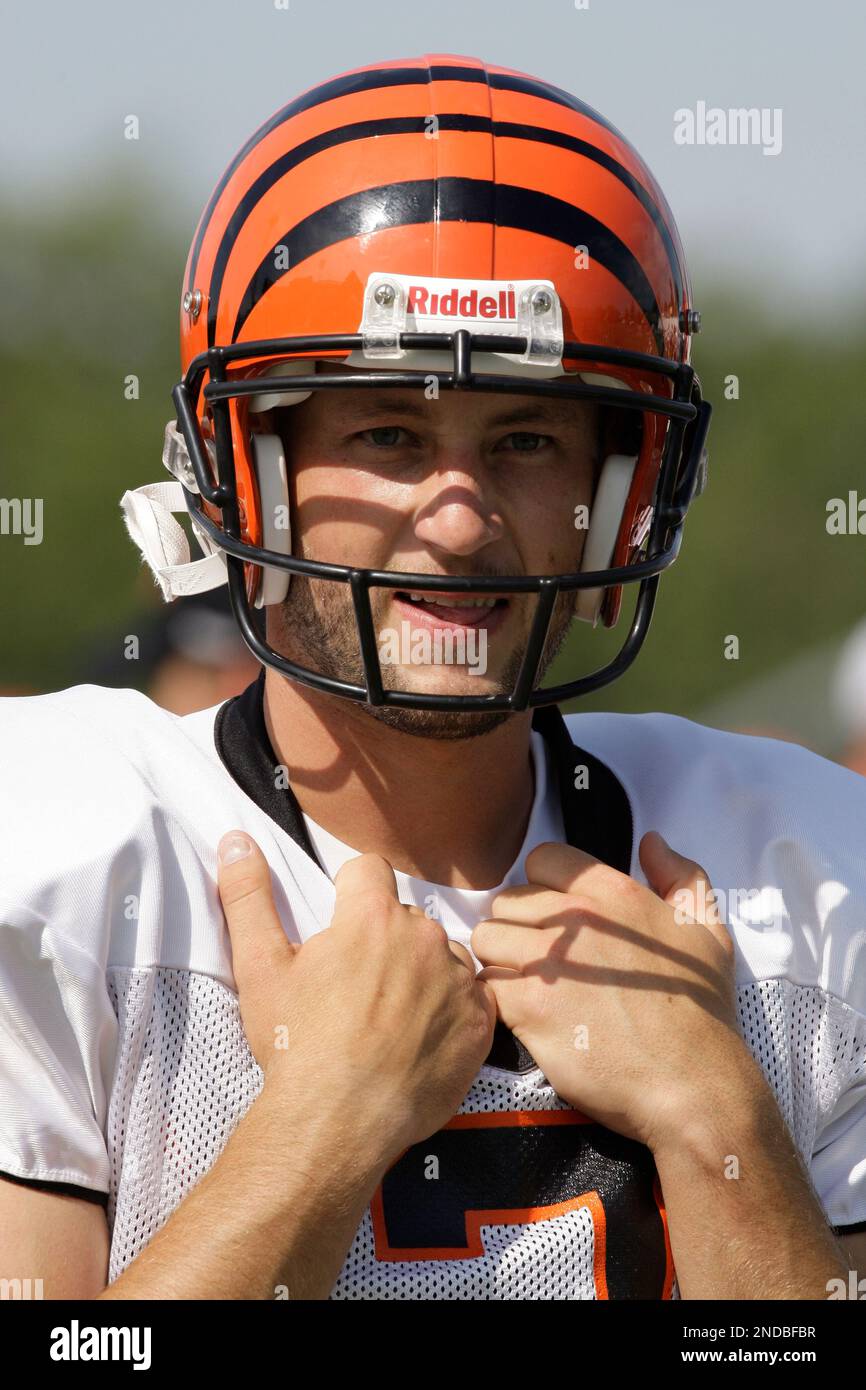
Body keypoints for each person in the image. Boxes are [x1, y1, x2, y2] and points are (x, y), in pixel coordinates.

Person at [1, 53, 864, 1301]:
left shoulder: (802, 880)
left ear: (616, 499)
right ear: (250, 470)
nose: (456, 523)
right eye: (386, 434)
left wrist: (716, 1119)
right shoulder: (70, 857)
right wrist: (318, 1131)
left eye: (523, 440)